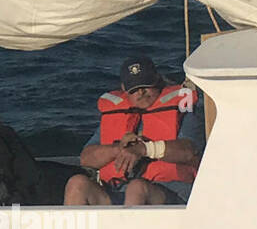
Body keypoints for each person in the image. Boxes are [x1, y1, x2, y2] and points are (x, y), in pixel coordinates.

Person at [64, 56, 203, 207]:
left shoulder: (182, 109)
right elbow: (86, 158)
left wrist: (143, 149)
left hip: (170, 192)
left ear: (157, 79)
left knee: (136, 188)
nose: (141, 93)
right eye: (134, 89)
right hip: (118, 192)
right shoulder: (116, 112)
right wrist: (120, 149)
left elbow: (189, 150)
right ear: (124, 89)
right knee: (77, 184)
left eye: (146, 85)